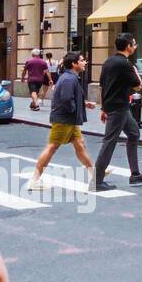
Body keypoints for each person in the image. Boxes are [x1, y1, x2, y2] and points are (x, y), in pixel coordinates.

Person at [92, 34, 142, 191]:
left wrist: (104, 108)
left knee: (134, 134)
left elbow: (103, 87)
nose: (135, 46)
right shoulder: (126, 64)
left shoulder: (108, 61)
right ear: (128, 46)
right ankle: (97, 181)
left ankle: (135, 174)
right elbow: (138, 85)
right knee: (109, 142)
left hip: (117, 107)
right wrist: (135, 70)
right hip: (119, 107)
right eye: (134, 44)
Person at [26, 53, 96, 191]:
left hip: (68, 119)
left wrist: (84, 103)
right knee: (52, 147)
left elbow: (69, 97)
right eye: (82, 61)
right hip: (64, 119)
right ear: (74, 64)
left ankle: (95, 174)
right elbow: (66, 99)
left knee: (80, 145)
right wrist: (75, 109)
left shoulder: (69, 77)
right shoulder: (69, 79)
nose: (85, 63)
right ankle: (34, 180)